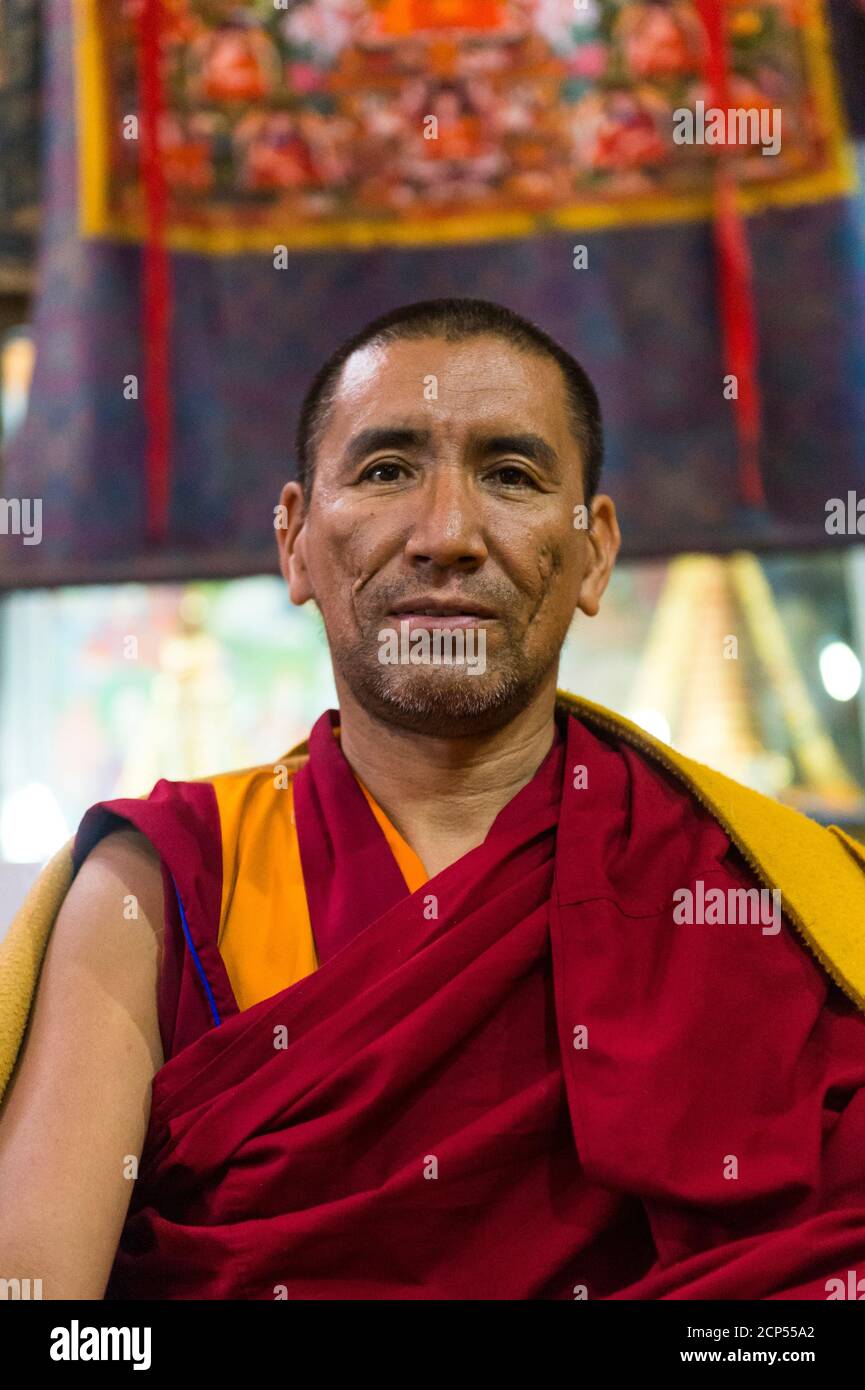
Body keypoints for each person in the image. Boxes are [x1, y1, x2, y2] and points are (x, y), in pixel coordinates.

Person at [2, 297, 865, 1301]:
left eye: (510, 474)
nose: (446, 534)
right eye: (385, 470)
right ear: (294, 541)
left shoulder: (763, 884)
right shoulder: (164, 883)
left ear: (593, 552)